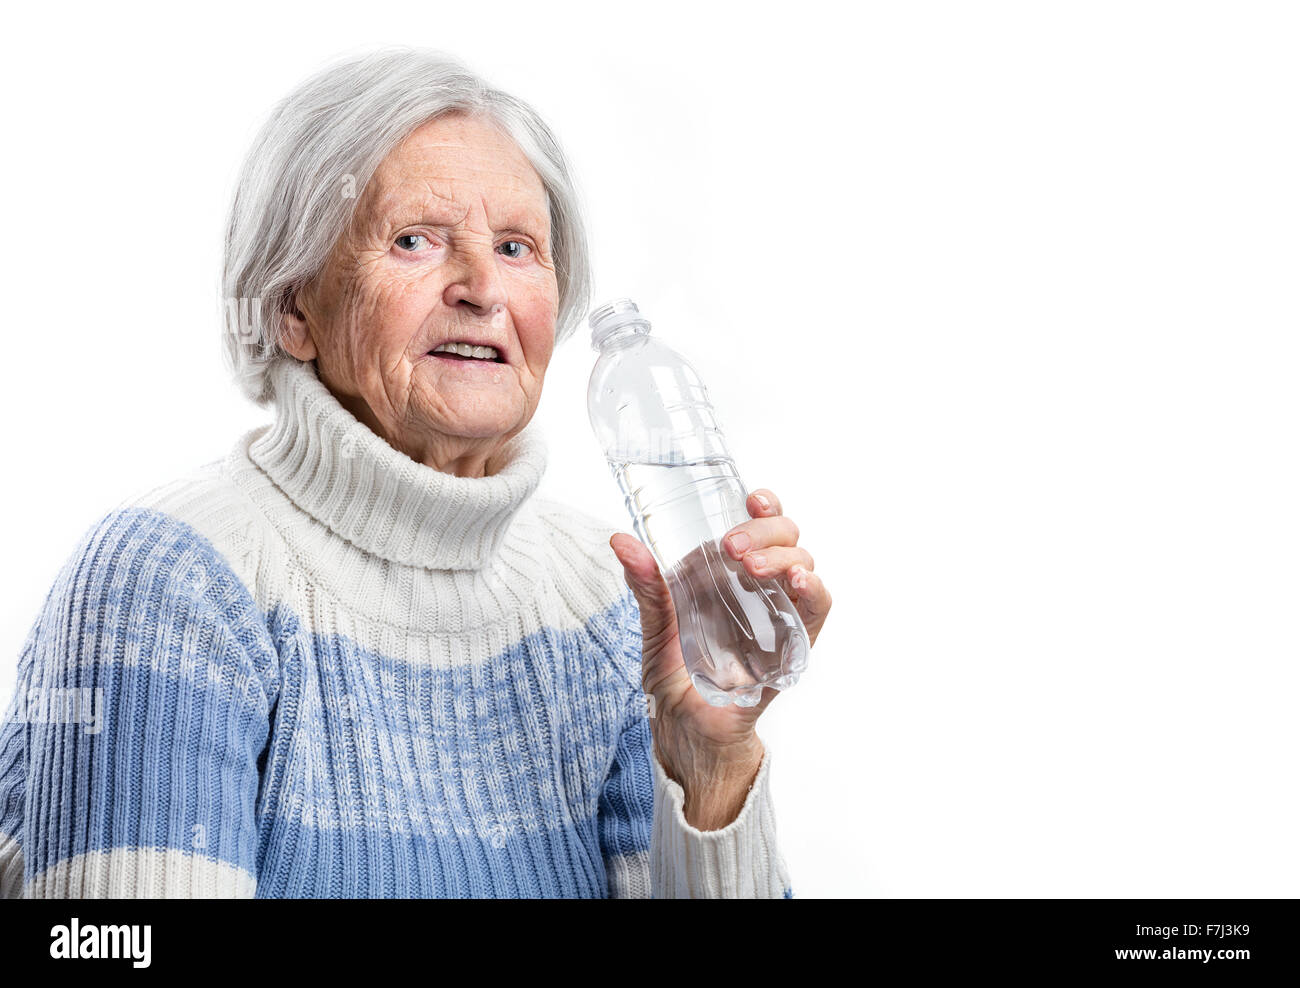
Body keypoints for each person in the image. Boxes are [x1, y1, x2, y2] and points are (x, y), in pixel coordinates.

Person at [0, 46, 831, 898]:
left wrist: (706, 767)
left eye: (516, 246)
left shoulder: (613, 601)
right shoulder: (174, 581)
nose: (481, 288)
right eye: (414, 241)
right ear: (294, 310)